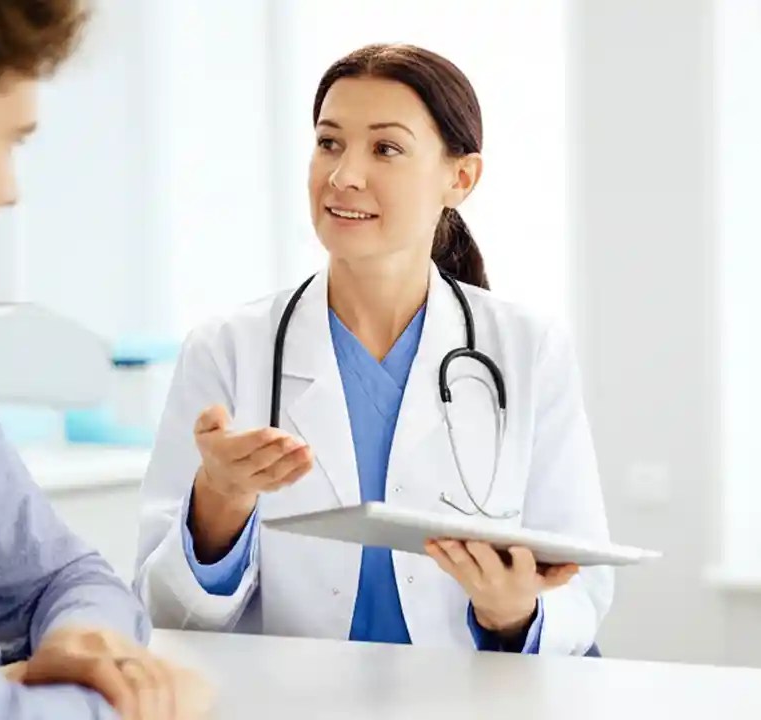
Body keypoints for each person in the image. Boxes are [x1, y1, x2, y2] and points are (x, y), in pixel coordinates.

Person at [135, 43, 612, 656]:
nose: (343, 176)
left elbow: (580, 584)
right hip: (289, 695)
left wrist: (512, 612)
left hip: (466, 696)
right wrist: (220, 500)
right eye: (329, 142)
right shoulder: (227, 349)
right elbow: (163, 611)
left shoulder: (529, 350)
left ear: (460, 178)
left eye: (385, 148)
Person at [0, 2, 208, 718]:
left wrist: (86, 645)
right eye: (9, 143)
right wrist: (137, 705)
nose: (10, 190)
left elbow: (63, 575)